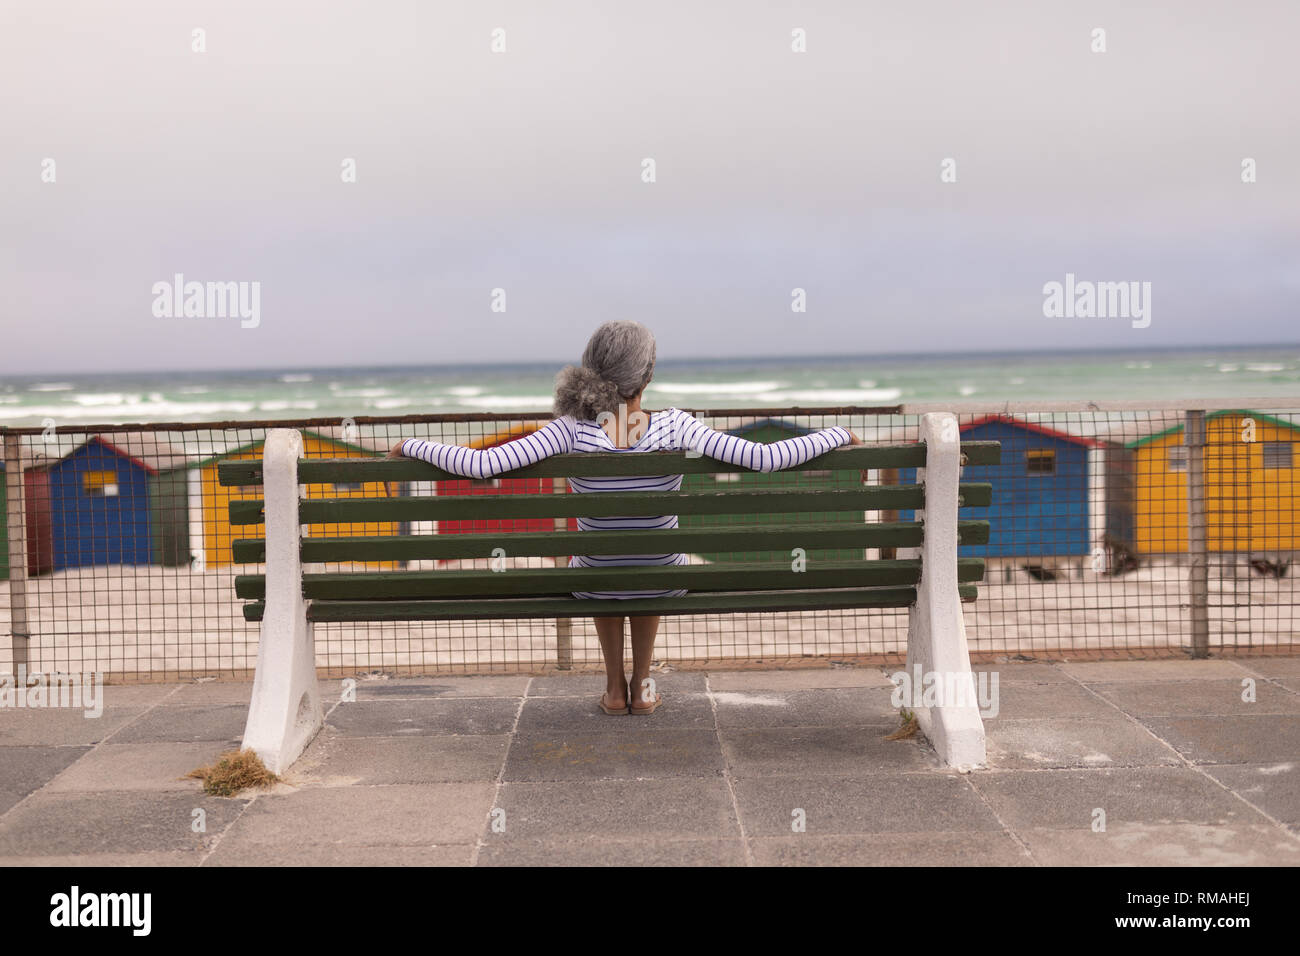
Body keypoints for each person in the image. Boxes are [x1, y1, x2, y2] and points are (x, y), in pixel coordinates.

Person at [389, 321, 863, 715]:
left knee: (600, 557)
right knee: (654, 553)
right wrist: (836, 434)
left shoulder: (570, 429)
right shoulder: (675, 425)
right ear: (648, 378)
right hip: (660, 575)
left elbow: (481, 465)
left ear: (591, 372)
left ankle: (614, 690)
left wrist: (410, 445)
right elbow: (764, 458)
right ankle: (642, 684)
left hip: (597, 576)